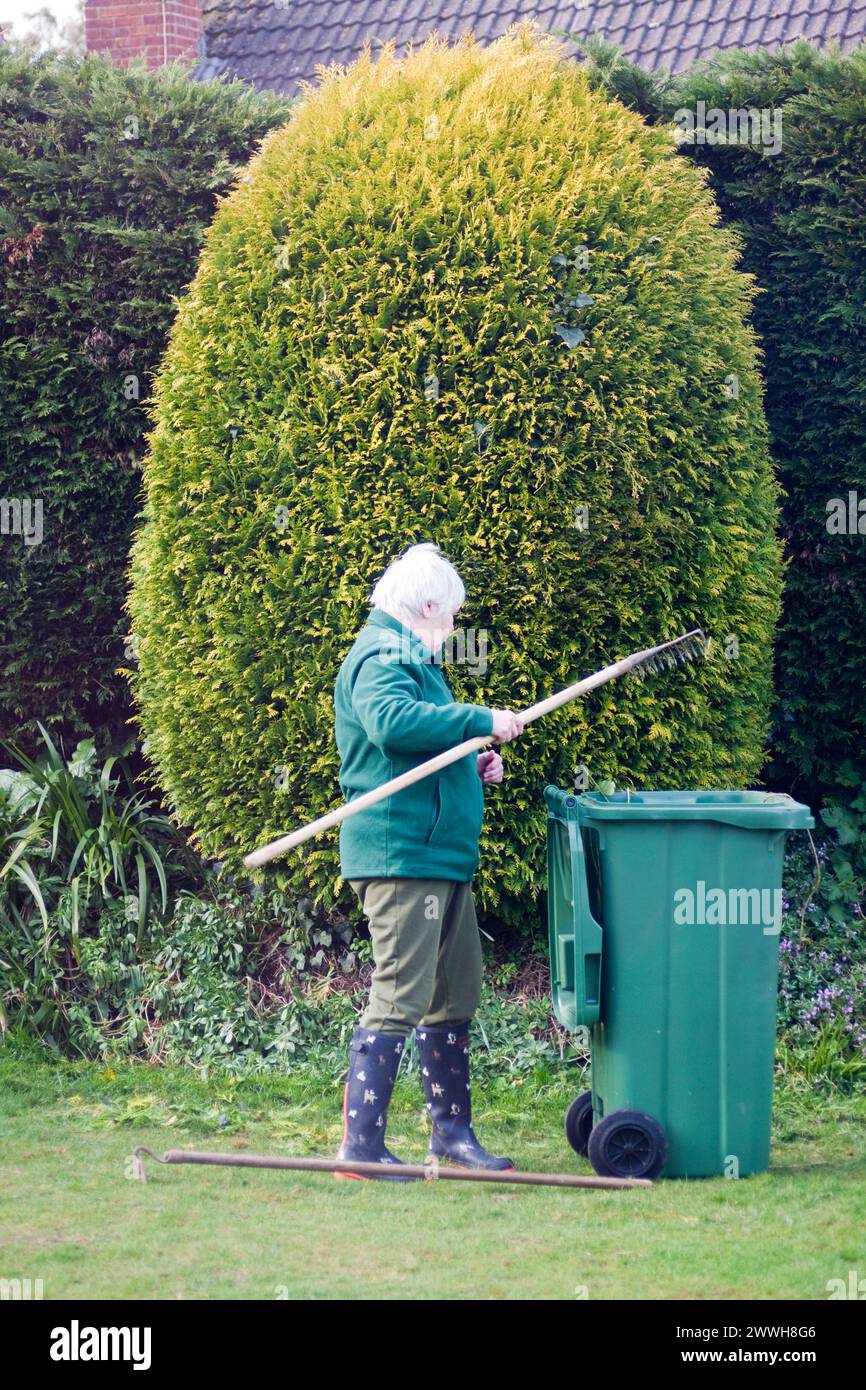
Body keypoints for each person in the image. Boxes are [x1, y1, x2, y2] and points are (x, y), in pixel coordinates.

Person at [332, 542, 524, 1181]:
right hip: (401, 857)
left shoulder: (410, 658)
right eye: (451, 617)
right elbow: (389, 723)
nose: (452, 630)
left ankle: (451, 1137)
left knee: (453, 992)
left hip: (438, 859)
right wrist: (481, 719)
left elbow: (415, 746)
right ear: (428, 606)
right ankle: (360, 1149)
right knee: (401, 992)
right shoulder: (382, 654)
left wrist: (470, 763)